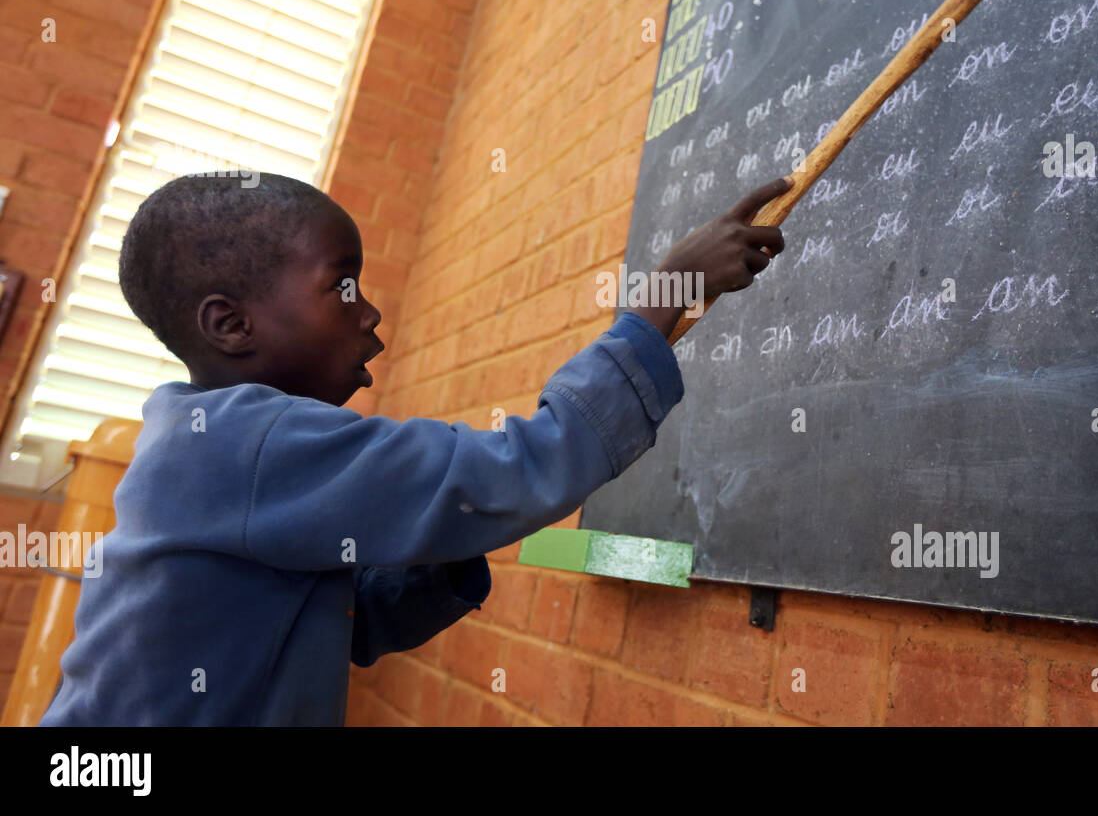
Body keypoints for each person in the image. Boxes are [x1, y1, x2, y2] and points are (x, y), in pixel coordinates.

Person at [40, 170, 789, 725]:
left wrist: (435, 548)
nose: (369, 313)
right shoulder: (245, 442)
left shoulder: (206, 445)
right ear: (231, 326)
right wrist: (666, 297)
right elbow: (509, 472)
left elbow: (335, 624)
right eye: (342, 287)